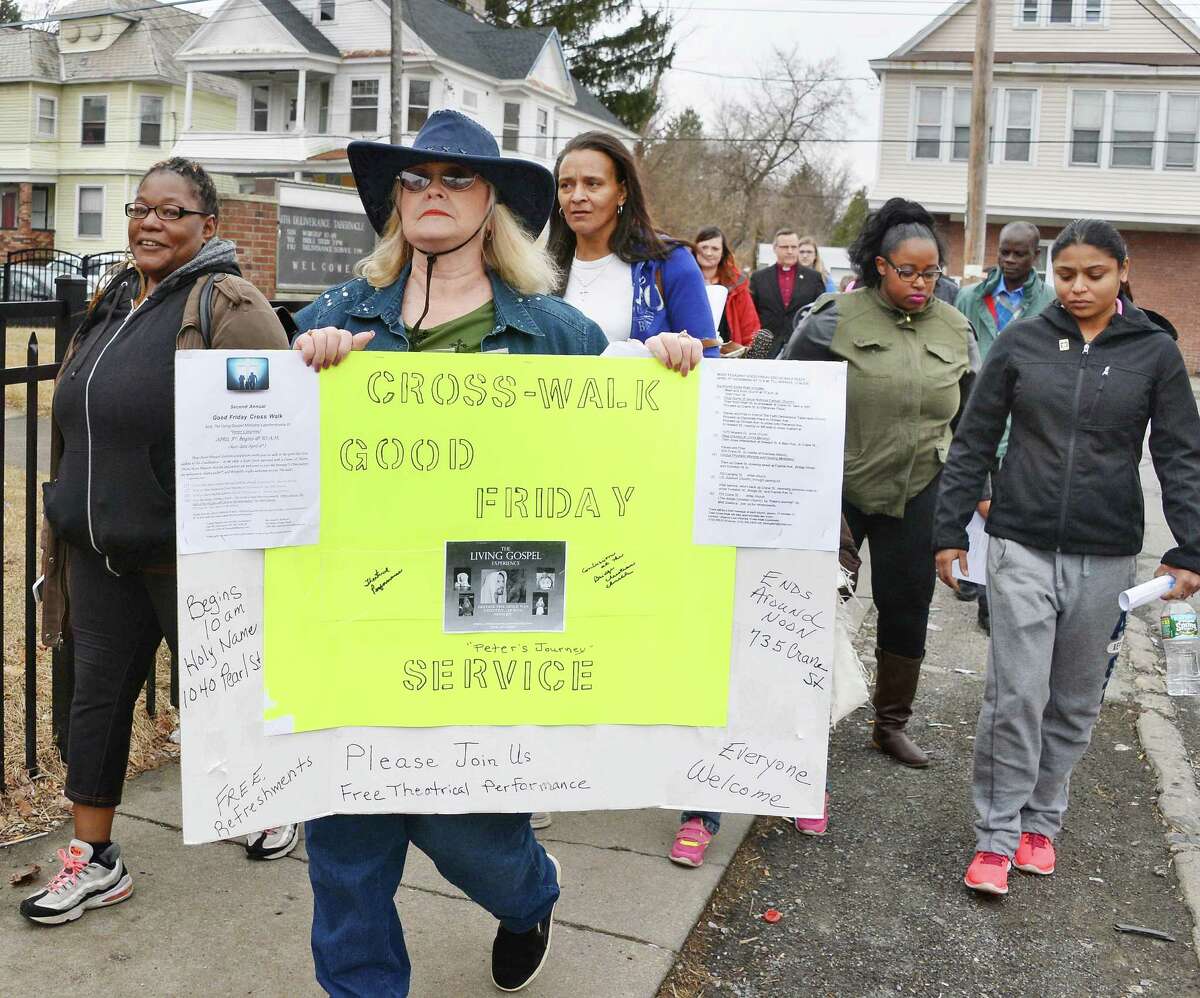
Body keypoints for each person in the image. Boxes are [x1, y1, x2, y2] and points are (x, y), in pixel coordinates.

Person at [287, 109, 703, 997]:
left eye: (457, 178)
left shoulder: (555, 332)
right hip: (356, 616)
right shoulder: (336, 316)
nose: (431, 192)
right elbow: (273, 455)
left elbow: (622, 462)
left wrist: (663, 373)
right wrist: (301, 368)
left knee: (468, 832)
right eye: (414, 178)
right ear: (396, 202)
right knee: (347, 844)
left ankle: (529, 896)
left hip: (493, 617)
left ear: (492, 205)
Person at [22, 158, 294, 927]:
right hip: (99, 551)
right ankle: (95, 858)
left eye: (172, 212)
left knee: (224, 694)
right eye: (141, 208)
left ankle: (268, 802)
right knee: (96, 702)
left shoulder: (229, 305)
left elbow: (271, 428)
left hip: (186, 556)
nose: (150, 222)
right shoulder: (115, 301)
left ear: (208, 225)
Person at [934, 218, 1200, 897]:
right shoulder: (1023, 342)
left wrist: (1190, 547)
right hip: (1020, 544)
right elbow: (974, 438)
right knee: (1016, 695)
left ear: (1123, 271)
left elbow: (1179, 455)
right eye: (1067, 274)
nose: (1078, 287)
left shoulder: (1155, 351)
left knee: (1075, 700)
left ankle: (1040, 823)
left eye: (1095, 274)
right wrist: (950, 530)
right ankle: (995, 836)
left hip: (1107, 555)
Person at [781, 197, 973, 772]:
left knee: (907, 604)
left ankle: (890, 726)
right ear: (881, 266)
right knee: (813, 605)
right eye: (908, 271)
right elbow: (784, 395)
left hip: (918, 488)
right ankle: (798, 722)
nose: (921, 284)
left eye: (931, 273)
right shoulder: (834, 318)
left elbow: (972, 418)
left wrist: (976, 488)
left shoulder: (955, 327)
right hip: (839, 491)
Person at [952, 221, 1056, 634]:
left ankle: (995, 602)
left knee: (1008, 516)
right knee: (976, 508)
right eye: (1004, 253)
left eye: (1020, 254)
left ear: (1035, 256)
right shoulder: (970, 298)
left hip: (1026, 426)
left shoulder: (1049, 301)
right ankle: (975, 582)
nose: (1010, 260)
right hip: (978, 419)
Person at [549, 131, 720, 358]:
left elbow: (707, 359)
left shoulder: (670, 262)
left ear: (622, 192)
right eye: (566, 185)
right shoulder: (539, 270)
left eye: (593, 184)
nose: (577, 196)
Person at [749, 229, 826, 357]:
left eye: (794, 247)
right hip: (766, 348)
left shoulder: (813, 278)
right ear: (775, 248)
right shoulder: (759, 278)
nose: (790, 251)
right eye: (785, 247)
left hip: (801, 346)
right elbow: (752, 313)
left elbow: (820, 313)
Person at [693, 225, 761, 347]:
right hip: (691, 352)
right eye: (704, 247)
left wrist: (749, 351)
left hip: (728, 354)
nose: (708, 253)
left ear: (723, 253)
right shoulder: (683, 283)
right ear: (695, 250)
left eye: (715, 249)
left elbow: (750, 327)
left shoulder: (736, 286)